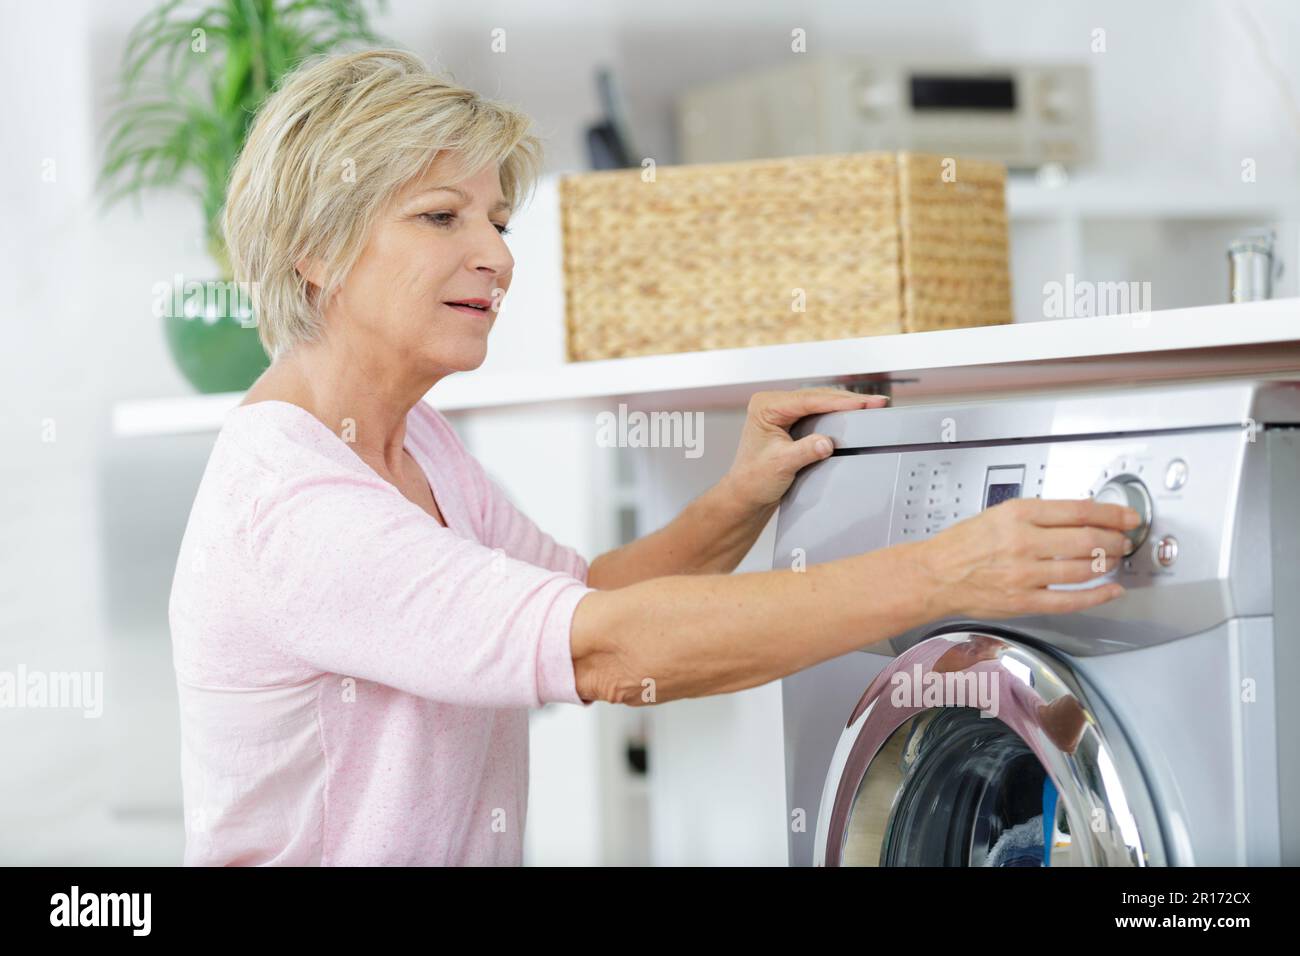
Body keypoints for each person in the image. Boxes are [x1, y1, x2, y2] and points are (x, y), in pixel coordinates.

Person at [169, 48, 1137, 865]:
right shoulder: (292, 505)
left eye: (497, 221)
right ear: (314, 247)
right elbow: (607, 649)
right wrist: (949, 567)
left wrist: (740, 495)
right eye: (440, 217)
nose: (496, 255)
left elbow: (590, 594)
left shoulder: (416, 441)